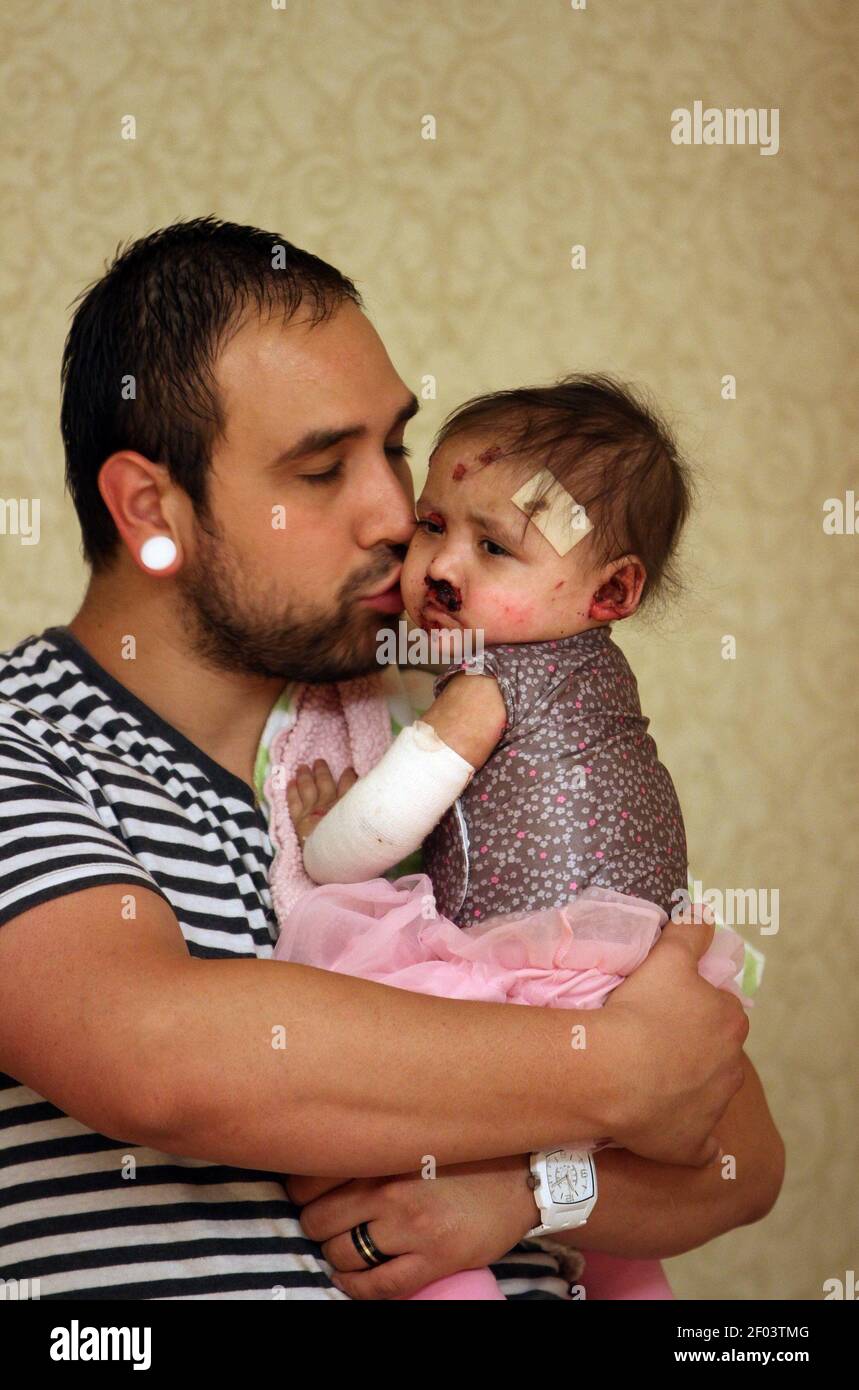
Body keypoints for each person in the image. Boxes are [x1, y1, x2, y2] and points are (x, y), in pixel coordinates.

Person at [0, 218, 782, 1300]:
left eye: (393, 447)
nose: (395, 514)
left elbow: (733, 1152)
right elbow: (155, 1053)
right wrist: (615, 1073)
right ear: (153, 510)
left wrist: (527, 1192)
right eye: (322, 469)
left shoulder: (423, 731)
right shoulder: (25, 748)